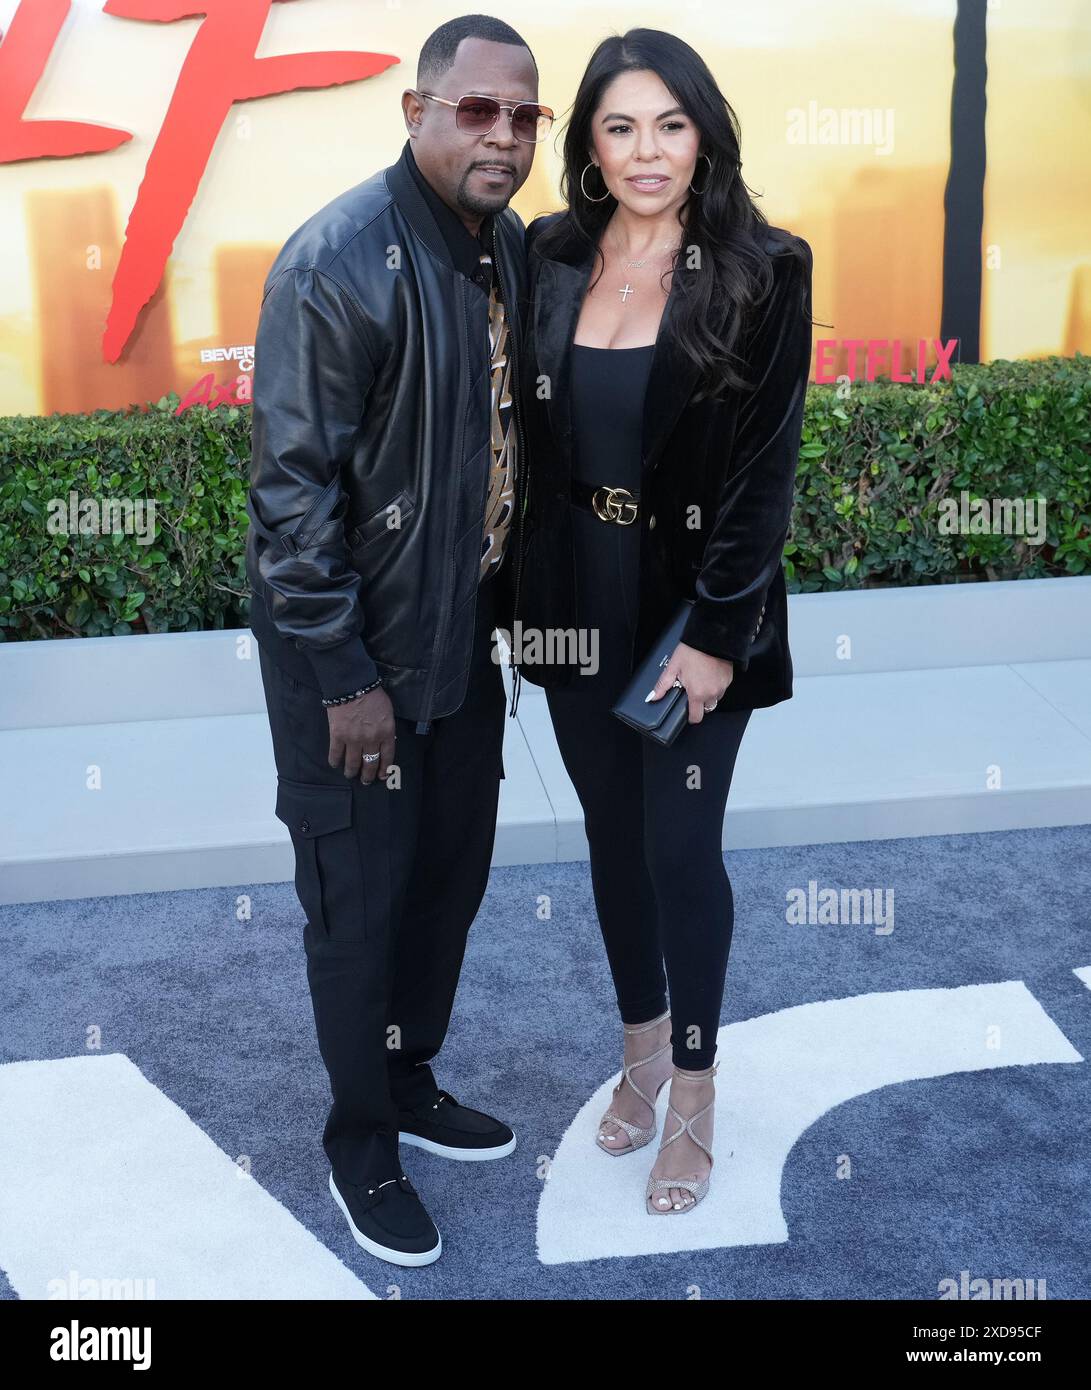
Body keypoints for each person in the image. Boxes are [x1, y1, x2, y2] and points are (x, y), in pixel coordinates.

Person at [245, 15, 551, 1266]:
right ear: (416, 111)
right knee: (357, 903)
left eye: (522, 116)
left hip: (462, 644)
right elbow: (289, 496)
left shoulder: (511, 251)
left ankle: (408, 1077)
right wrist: (344, 678)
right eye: (475, 110)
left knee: (446, 883)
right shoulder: (334, 260)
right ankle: (359, 1139)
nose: (502, 135)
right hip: (355, 669)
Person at [510, 28, 813, 1216]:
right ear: (586, 142)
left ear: (703, 133)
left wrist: (711, 635)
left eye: (669, 124)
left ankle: (691, 1088)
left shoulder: (761, 268)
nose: (646, 151)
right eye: (620, 126)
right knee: (607, 839)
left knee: (678, 850)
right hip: (569, 602)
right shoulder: (546, 255)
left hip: (690, 610)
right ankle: (635, 1052)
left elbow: (762, 477)